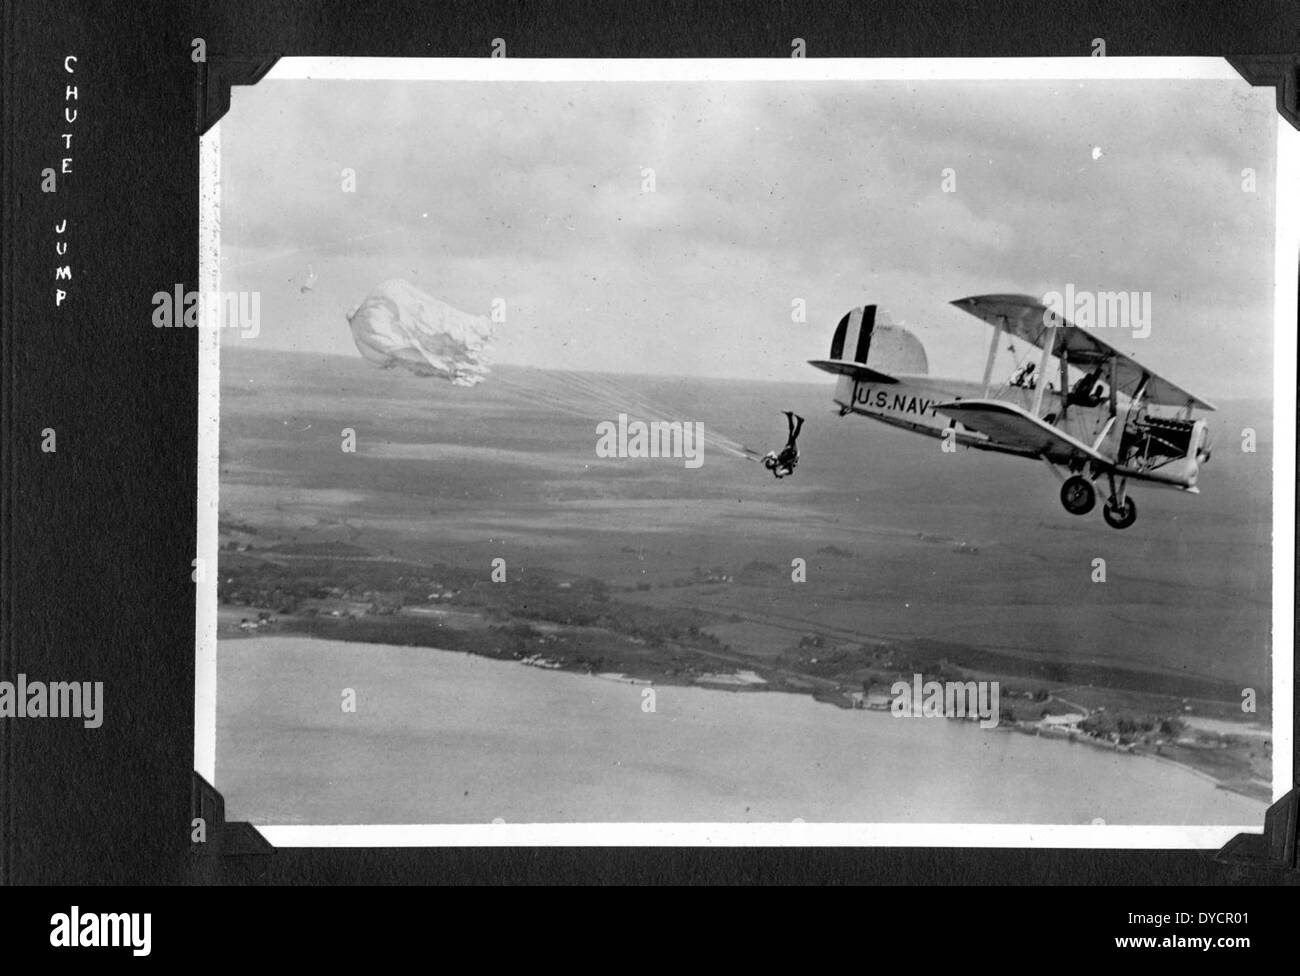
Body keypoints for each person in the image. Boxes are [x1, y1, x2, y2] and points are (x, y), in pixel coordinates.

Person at [762, 411, 805, 478]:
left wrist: (765, 457)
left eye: (769, 461)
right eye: (770, 462)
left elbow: (772, 453)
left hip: (788, 450)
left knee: (791, 434)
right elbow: (790, 472)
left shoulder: (775, 461)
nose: (770, 460)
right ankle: (799, 421)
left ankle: (790, 417)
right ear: (772, 465)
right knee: (793, 437)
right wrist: (780, 473)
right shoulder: (781, 466)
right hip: (793, 454)